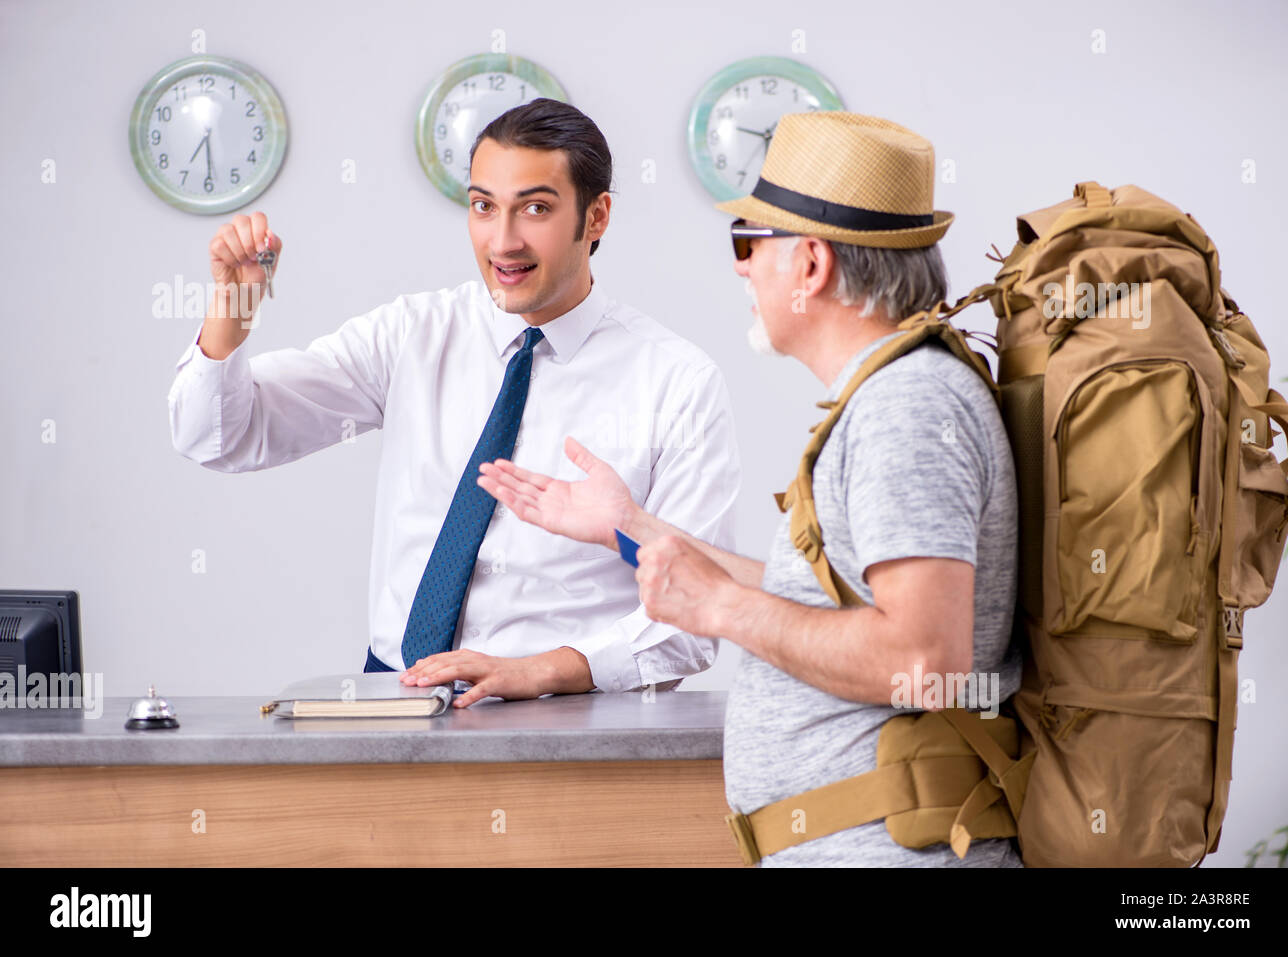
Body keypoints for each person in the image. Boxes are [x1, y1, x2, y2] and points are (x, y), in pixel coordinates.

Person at [476, 112, 1022, 865]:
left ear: (811, 267)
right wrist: (630, 526)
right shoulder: (892, 393)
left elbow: (924, 660)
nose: (739, 269)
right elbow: (833, 606)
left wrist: (723, 608)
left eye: (749, 243)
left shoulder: (909, 405)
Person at [168, 98, 741, 708]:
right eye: (483, 206)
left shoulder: (676, 381)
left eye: (537, 209)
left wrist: (545, 670)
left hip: (571, 715)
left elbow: (694, 614)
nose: (504, 240)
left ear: (596, 217)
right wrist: (232, 309)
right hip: (395, 699)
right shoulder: (411, 335)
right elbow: (218, 437)